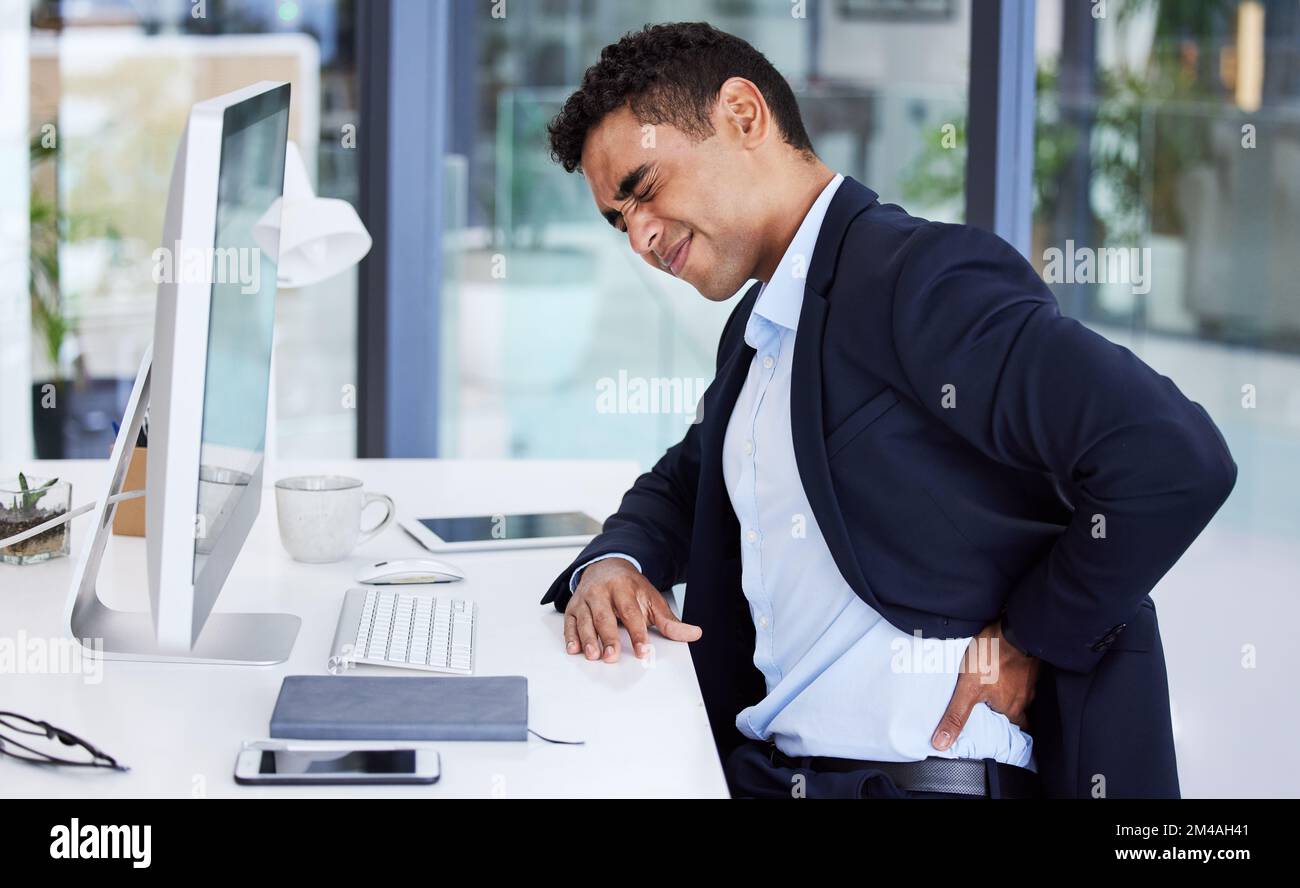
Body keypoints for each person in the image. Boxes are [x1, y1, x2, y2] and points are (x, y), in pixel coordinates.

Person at [539, 22, 1236, 798]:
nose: (638, 236)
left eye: (643, 189)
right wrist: (614, 563)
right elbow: (686, 481)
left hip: (914, 779)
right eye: (617, 219)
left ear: (743, 115)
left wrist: (1028, 637)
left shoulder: (916, 276)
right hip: (773, 773)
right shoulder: (762, 323)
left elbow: (1172, 457)